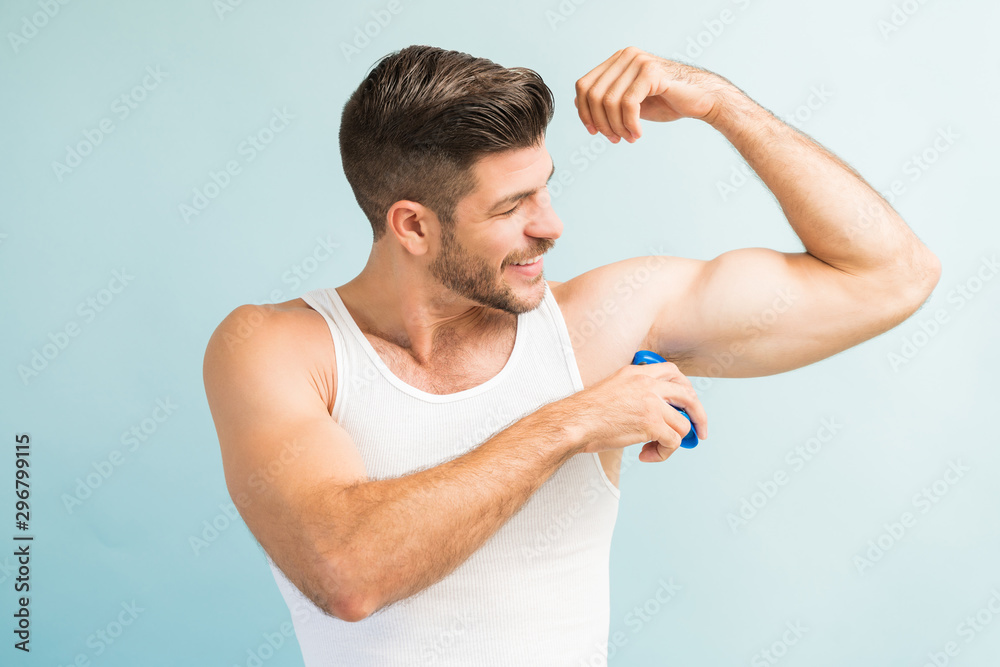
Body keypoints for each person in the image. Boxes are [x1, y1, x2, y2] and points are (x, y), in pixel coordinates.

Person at [202, 44, 940, 665]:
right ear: (413, 227)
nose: (551, 226)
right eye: (511, 207)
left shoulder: (600, 323)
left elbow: (891, 276)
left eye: (545, 190)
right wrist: (572, 422)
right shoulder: (278, 347)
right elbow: (347, 570)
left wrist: (721, 103)